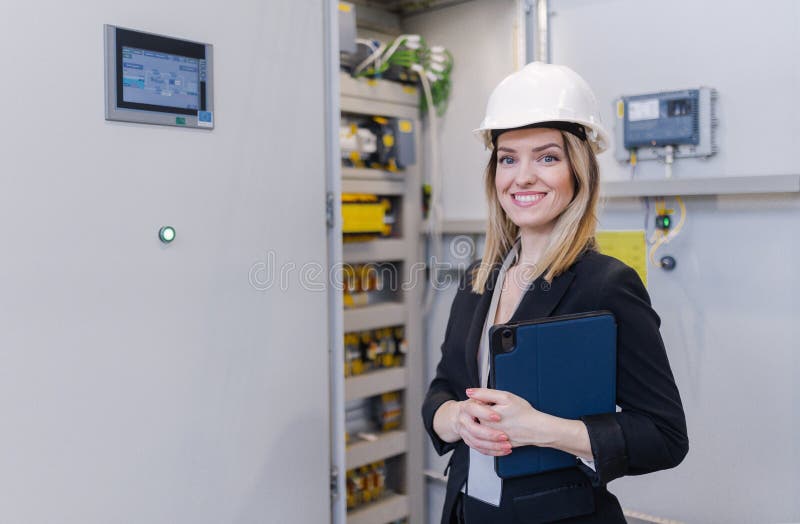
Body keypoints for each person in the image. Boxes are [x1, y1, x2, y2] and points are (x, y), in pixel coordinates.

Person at [421, 62, 688, 524]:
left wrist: (540, 429)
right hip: (467, 512)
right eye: (508, 159)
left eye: (546, 158)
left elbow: (664, 436)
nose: (522, 177)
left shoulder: (606, 285)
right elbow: (442, 389)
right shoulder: (478, 279)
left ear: (578, 171)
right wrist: (457, 418)